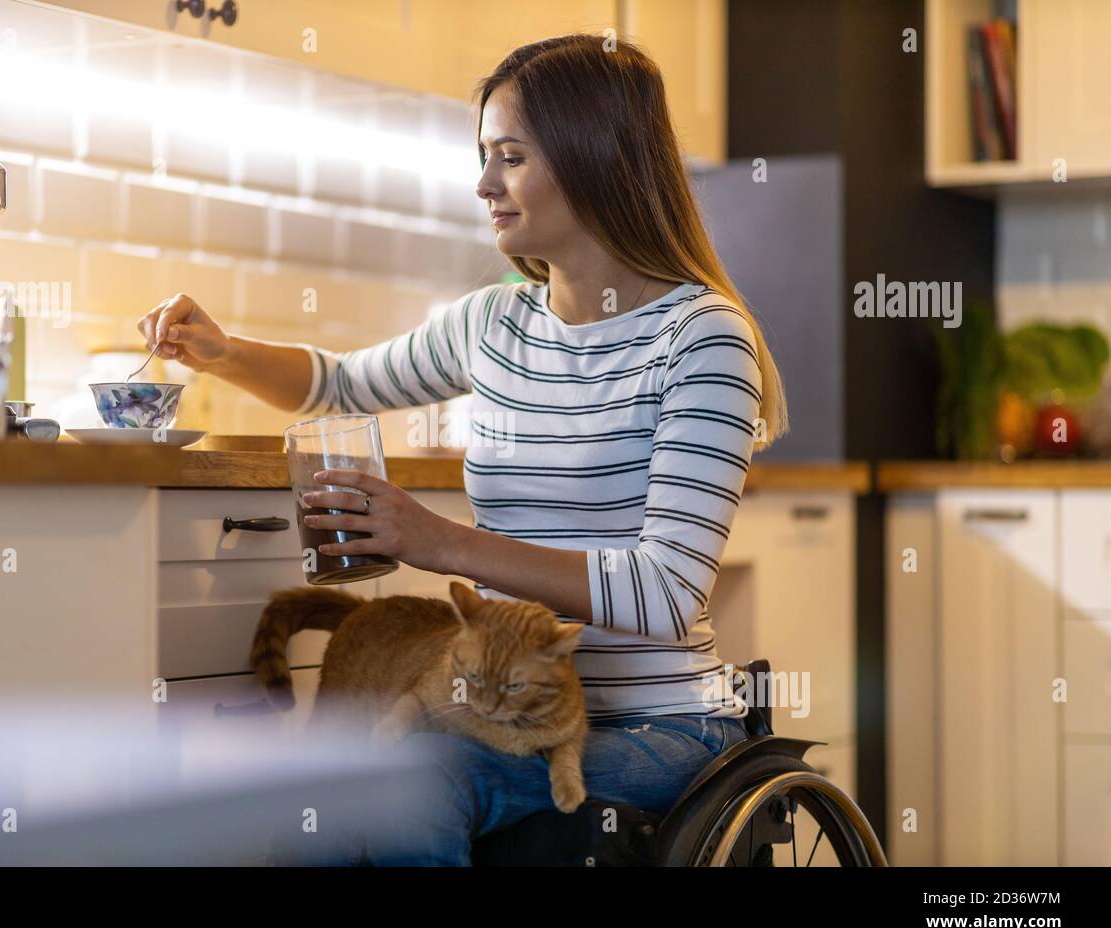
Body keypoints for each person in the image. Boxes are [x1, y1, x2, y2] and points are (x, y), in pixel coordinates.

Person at [138, 33, 789, 865]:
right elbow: (337, 385)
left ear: (597, 158)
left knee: (419, 777)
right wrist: (224, 352)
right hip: (492, 707)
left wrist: (433, 540)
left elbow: (664, 590)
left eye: (510, 157)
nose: (484, 184)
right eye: (485, 157)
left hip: (656, 726)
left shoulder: (702, 339)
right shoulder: (493, 324)